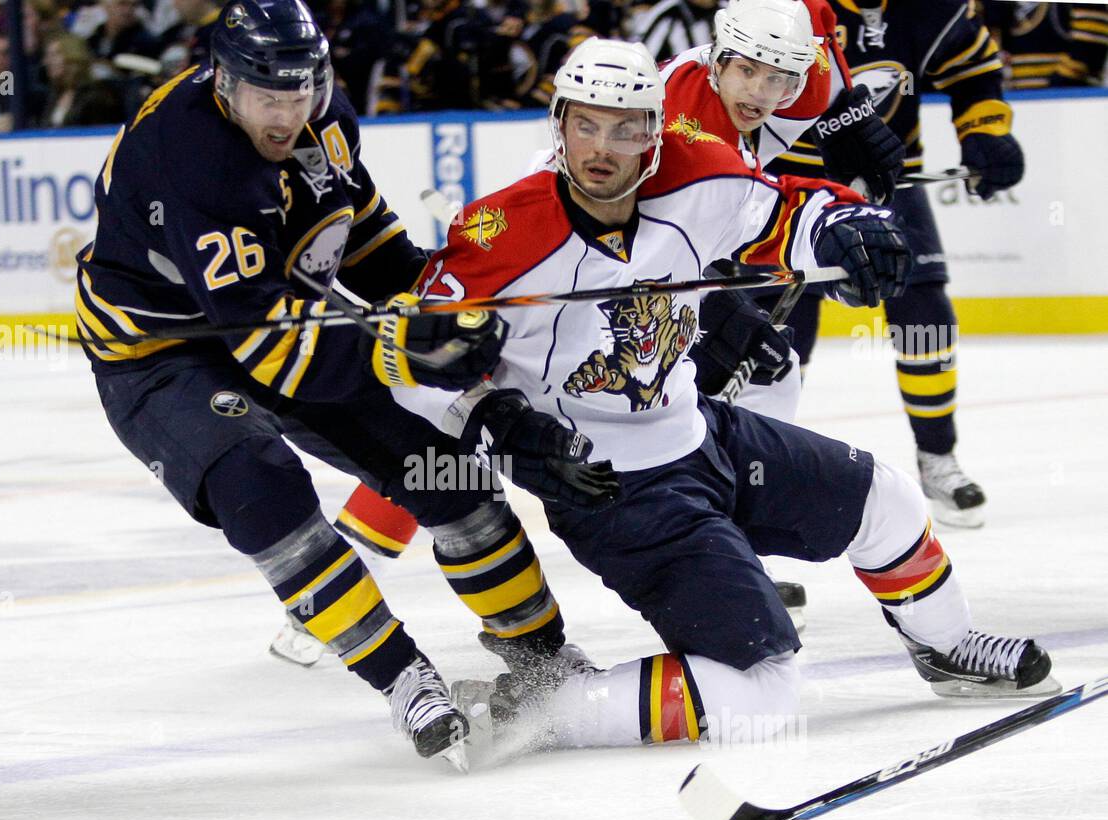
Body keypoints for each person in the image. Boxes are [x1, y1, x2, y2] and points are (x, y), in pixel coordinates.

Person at [400, 37, 1057, 751]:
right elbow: (414, 368)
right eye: (585, 124)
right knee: (759, 692)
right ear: (557, 124)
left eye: (626, 128)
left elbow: (784, 215)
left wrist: (848, 227)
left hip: (700, 433)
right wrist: (494, 417)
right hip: (617, 493)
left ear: (657, 130)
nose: (602, 148)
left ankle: (949, 646)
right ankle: (549, 706)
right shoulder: (497, 235)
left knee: (889, 500)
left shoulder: (699, 173)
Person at [75, 0, 612, 762]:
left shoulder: (324, 113)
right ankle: (404, 681)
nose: (287, 112)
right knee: (259, 485)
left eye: (302, 93)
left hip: (276, 316)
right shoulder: (191, 158)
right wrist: (403, 351)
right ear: (223, 82)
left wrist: (433, 299)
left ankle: (541, 659)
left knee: (448, 473)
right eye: (269, 96)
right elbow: (267, 350)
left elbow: (357, 230)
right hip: (161, 352)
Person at [766, 0, 1026, 529]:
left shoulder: (934, 7)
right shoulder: (788, 6)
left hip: (889, 182)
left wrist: (986, 132)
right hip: (788, 189)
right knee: (778, 338)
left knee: (926, 316)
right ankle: (759, 476)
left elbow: (973, 72)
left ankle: (937, 458)